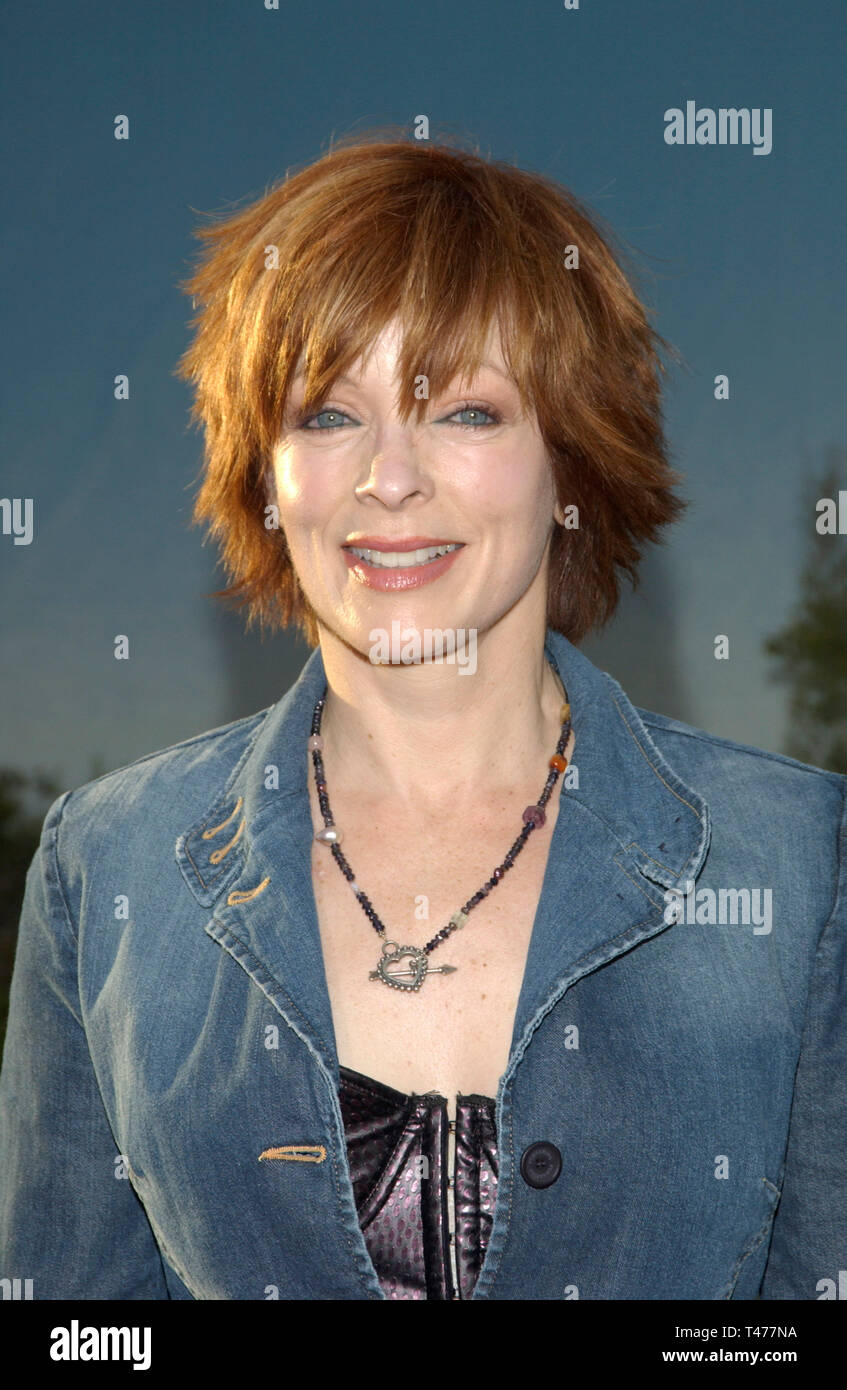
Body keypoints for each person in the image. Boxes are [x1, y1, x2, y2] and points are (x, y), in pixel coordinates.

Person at [1, 131, 844, 1301]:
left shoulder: (804, 863)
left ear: (573, 461)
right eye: (327, 416)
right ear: (263, 471)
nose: (386, 478)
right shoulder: (104, 871)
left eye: (463, 412)